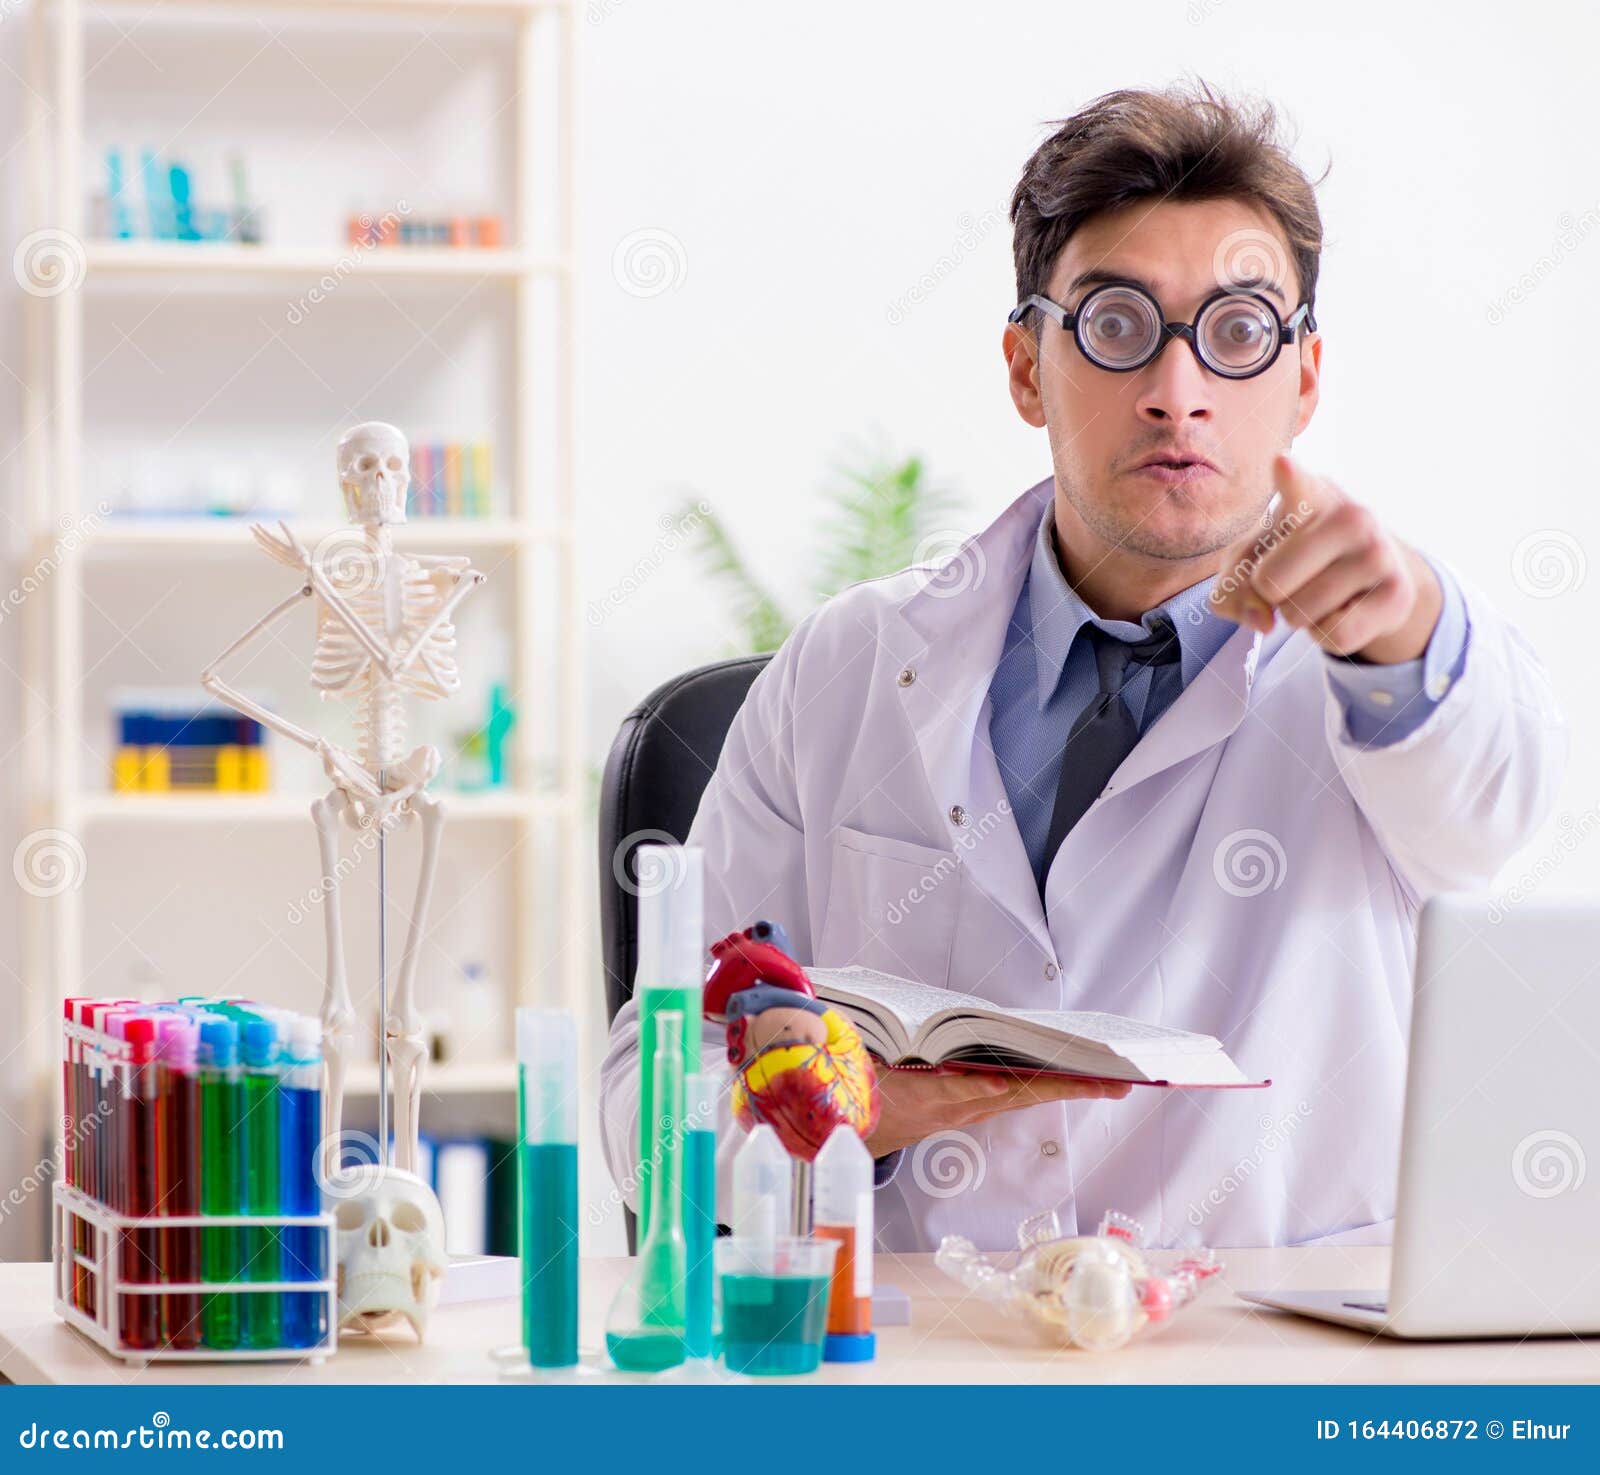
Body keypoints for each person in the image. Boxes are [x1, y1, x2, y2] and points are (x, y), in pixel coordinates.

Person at [600, 81, 1566, 1250]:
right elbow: (647, 1098)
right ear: (1024, 368)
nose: (1177, 391)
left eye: (1239, 331)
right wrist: (840, 1111)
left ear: (1303, 379)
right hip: (921, 1376)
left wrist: (1405, 629)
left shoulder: (1388, 669)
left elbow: (1492, 817)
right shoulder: (848, 669)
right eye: (1115, 325)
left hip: (1261, 1379)